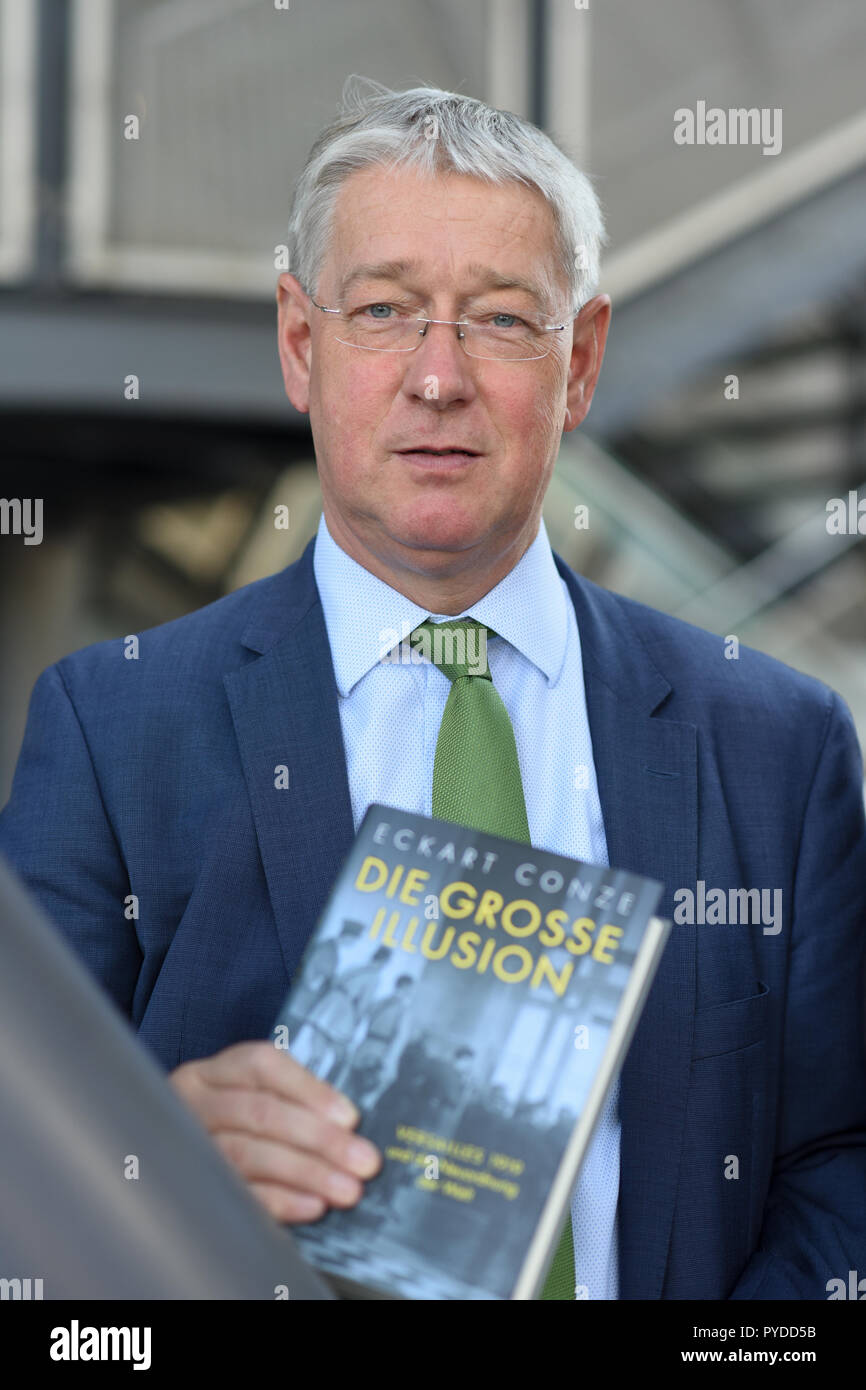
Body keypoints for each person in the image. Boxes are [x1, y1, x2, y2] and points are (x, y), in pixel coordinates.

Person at [1, 79, 865, 1301]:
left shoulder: (777, 746)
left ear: (580, 363)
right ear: (302, 345)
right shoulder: (112, 728)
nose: (436, 376)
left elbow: (839, 1159)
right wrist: (152, 1150)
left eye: (502, 320)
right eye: (385, 310)